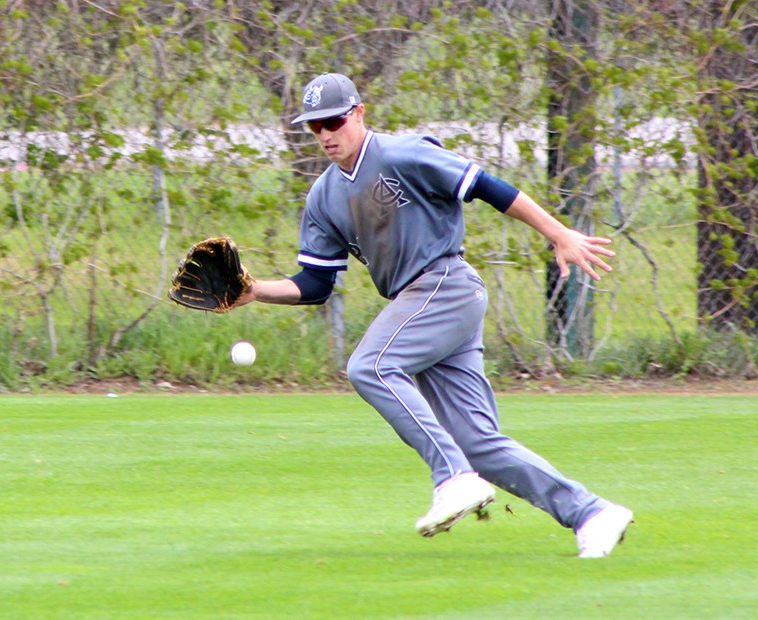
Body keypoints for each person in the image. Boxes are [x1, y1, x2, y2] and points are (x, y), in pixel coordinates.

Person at [235, 73, 633, 558]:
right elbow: (315, 284)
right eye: (314, 126)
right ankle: (591, 512)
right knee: (480, 444)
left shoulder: (402, 154)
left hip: (445, 284)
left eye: (333, 120)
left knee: (371, 366)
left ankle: (451, 477)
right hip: (422, 303)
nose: (325, 134)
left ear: (359, 113)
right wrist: (255, 291)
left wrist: (558, 233)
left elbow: (487, 186)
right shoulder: (323, 196)